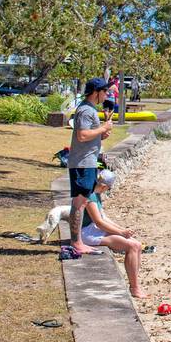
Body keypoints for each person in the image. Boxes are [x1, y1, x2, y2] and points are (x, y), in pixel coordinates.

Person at [80, 170, 149, 299]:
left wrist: (123, 230)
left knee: (137, 245)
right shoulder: (90, 196)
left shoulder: (96, 194)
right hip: (87, 233)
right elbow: (99, 222)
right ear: (104, 186)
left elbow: (104, 218)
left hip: (93, 229)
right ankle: (134, 288)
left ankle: (135, 283)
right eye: (109, 188)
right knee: (132, 246)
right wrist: (120, 232)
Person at [68, 77, 112, 256]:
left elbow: (90, 136)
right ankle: (77, 243)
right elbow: (82, 135)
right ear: (96, 92)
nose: (107, 95)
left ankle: (77, 241)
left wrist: (103, 133)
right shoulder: (86, 110)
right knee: (79, 203)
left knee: (82, 201)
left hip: (88, 162)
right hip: (82, 163)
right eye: (105, 91)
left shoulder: (91, 110)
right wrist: (102, 128)